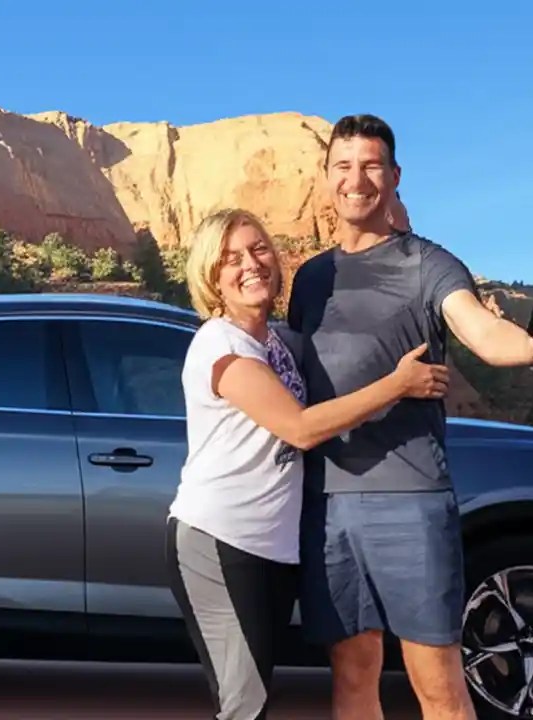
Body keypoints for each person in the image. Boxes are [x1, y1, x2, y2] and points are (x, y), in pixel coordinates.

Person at [288, 114, 533, 720]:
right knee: (353, 671)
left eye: (371, 166)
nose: (356, 179)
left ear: (394, 177)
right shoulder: (311, 279)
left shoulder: (427, 264)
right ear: (326, 177)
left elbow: (482, 331)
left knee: (436, 681)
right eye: (343, 166)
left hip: (410, 501)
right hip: (327, 503)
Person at [165, 207, 454, 720]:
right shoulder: (220, 344)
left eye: (258, 250)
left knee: (257, 693)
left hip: (273, 550)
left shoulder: (275, 342)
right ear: (211, 277)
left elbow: (351, 347)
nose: (251, 264)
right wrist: (397, 386)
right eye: (231, 259)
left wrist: (395, 239)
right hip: (220, 541)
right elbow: (300, 427)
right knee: (244, 705)